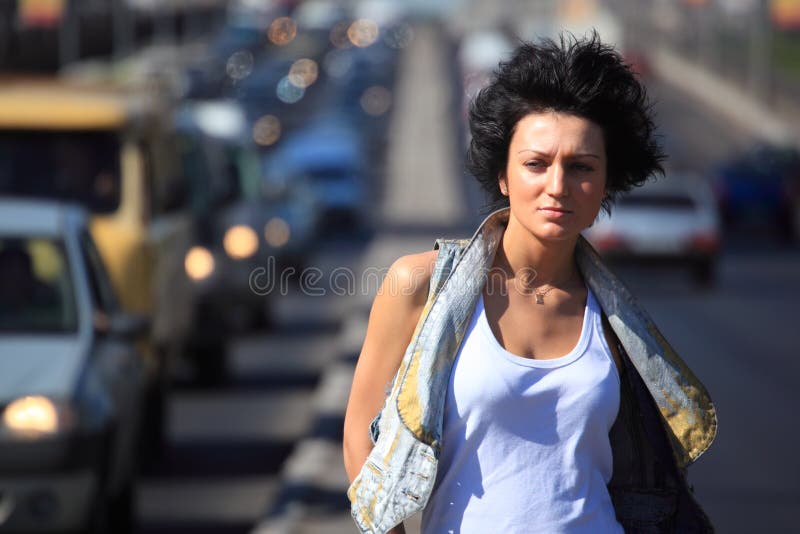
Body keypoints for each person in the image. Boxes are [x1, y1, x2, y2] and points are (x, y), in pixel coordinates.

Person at [343, 32, 716, 533]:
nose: (557, 186)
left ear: (607, 182)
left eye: (582, 167)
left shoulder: (617, 323)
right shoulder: (418, 285)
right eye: (536, 164)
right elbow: (360, 433)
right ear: (503, 175)